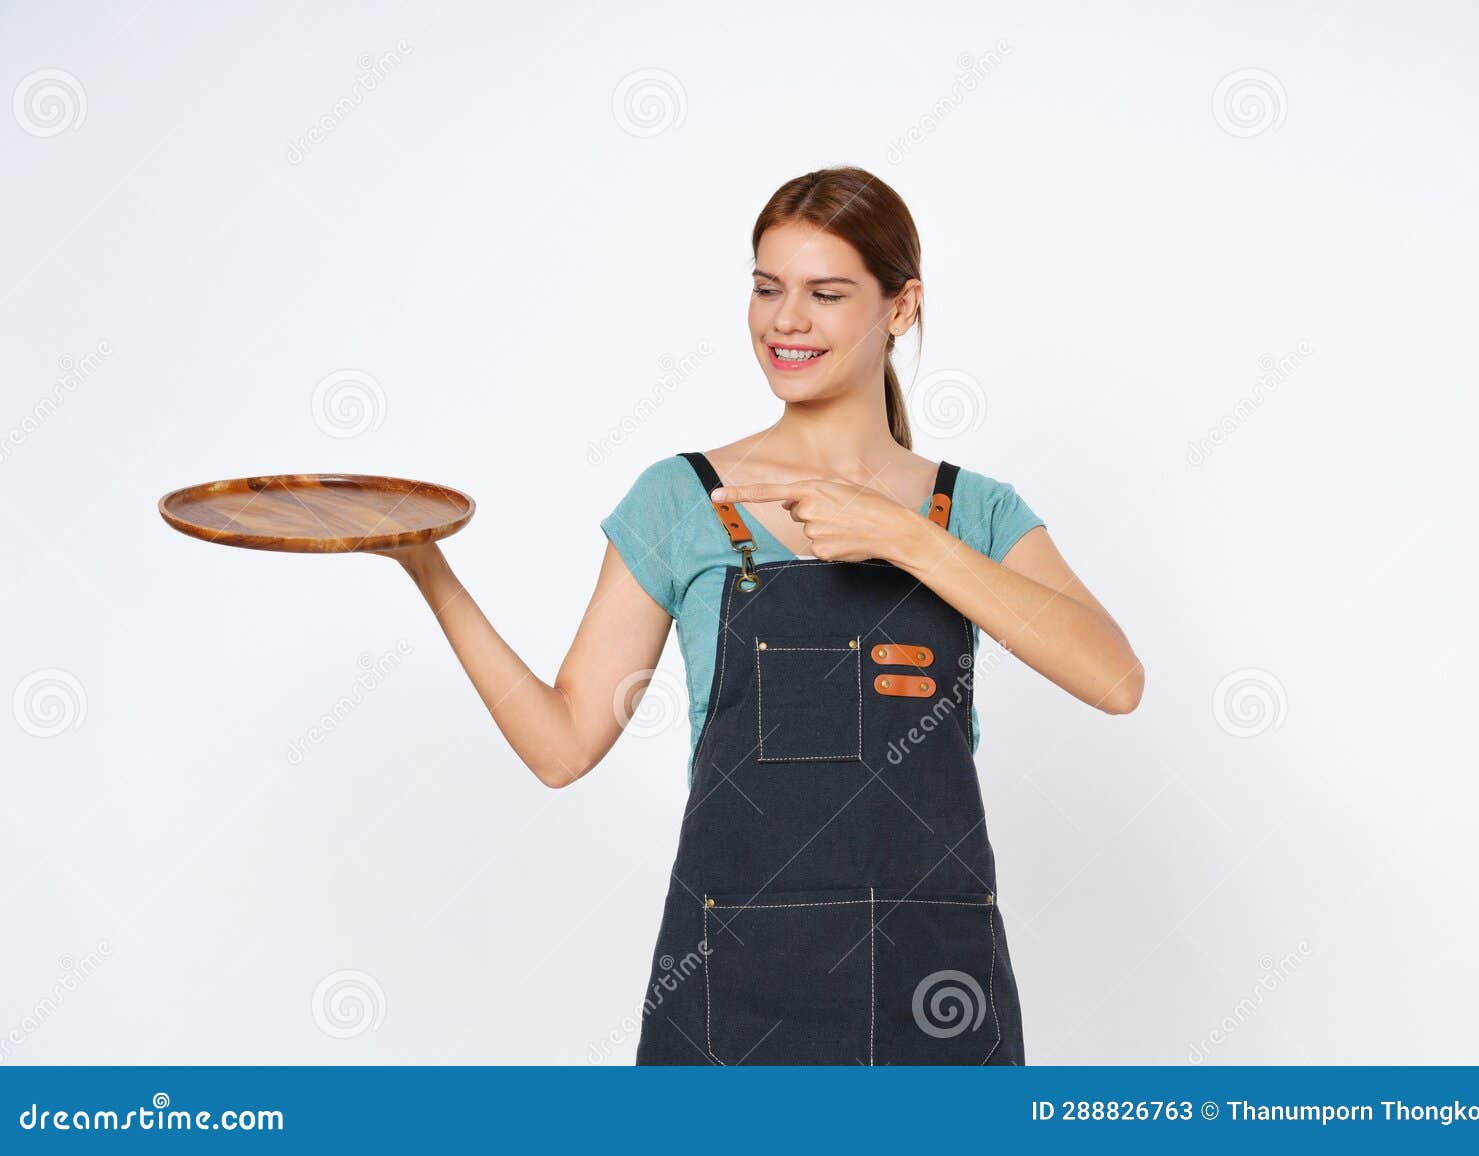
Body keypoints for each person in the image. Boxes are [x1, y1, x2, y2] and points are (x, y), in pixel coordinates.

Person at [368, 166, 1143, 1065]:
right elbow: (561, 745)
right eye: (767, 288)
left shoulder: (971, 512)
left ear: (901, 308)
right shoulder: (682, 499)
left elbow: (1115, 678)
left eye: (826, 293)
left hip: (935, 977)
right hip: (734, 973)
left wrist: (906, 538)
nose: (786, 321)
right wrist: (429, 569)